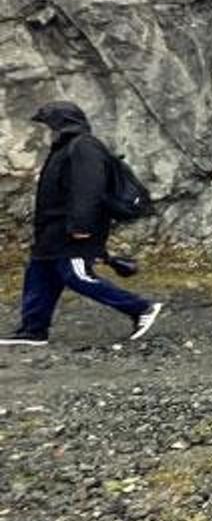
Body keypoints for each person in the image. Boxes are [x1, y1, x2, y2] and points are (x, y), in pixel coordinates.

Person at [1, 102, 163, 346]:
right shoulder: (66, 148)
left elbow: (89, 189)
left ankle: (141, 308)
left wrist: (81, 225)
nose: (47, 131)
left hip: (74, 230)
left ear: (61, 123)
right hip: (53, 230)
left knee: (76, 276)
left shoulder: (83, 147)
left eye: (50, 125)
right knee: (40, 271)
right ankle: (33, 330)